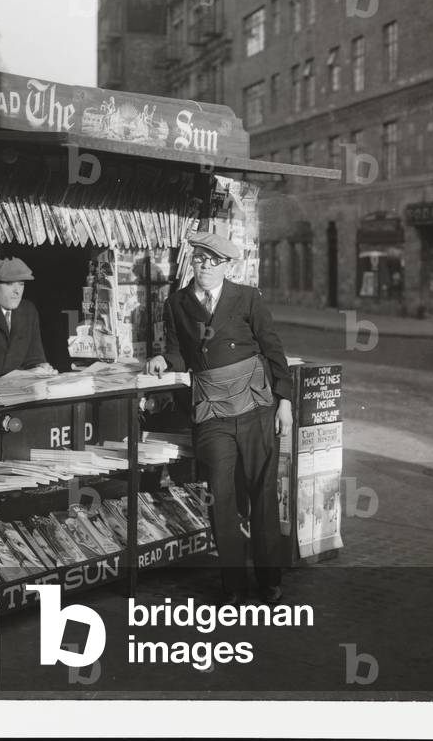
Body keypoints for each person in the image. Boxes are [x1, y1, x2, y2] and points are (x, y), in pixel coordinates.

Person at [146, 232, 293, 606]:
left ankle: (270, 582)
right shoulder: (176, 303)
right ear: (192, 262)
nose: (206, 266)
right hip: (211, 411)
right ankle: (233, 587)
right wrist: (165, 360)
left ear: (228, 266)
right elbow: (179, 352)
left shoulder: (247, 298)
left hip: (256, 406)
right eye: (200, 259)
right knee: (221, 498)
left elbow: (273, 349)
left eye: (214, 261)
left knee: (261, 495)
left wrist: (285, 402)